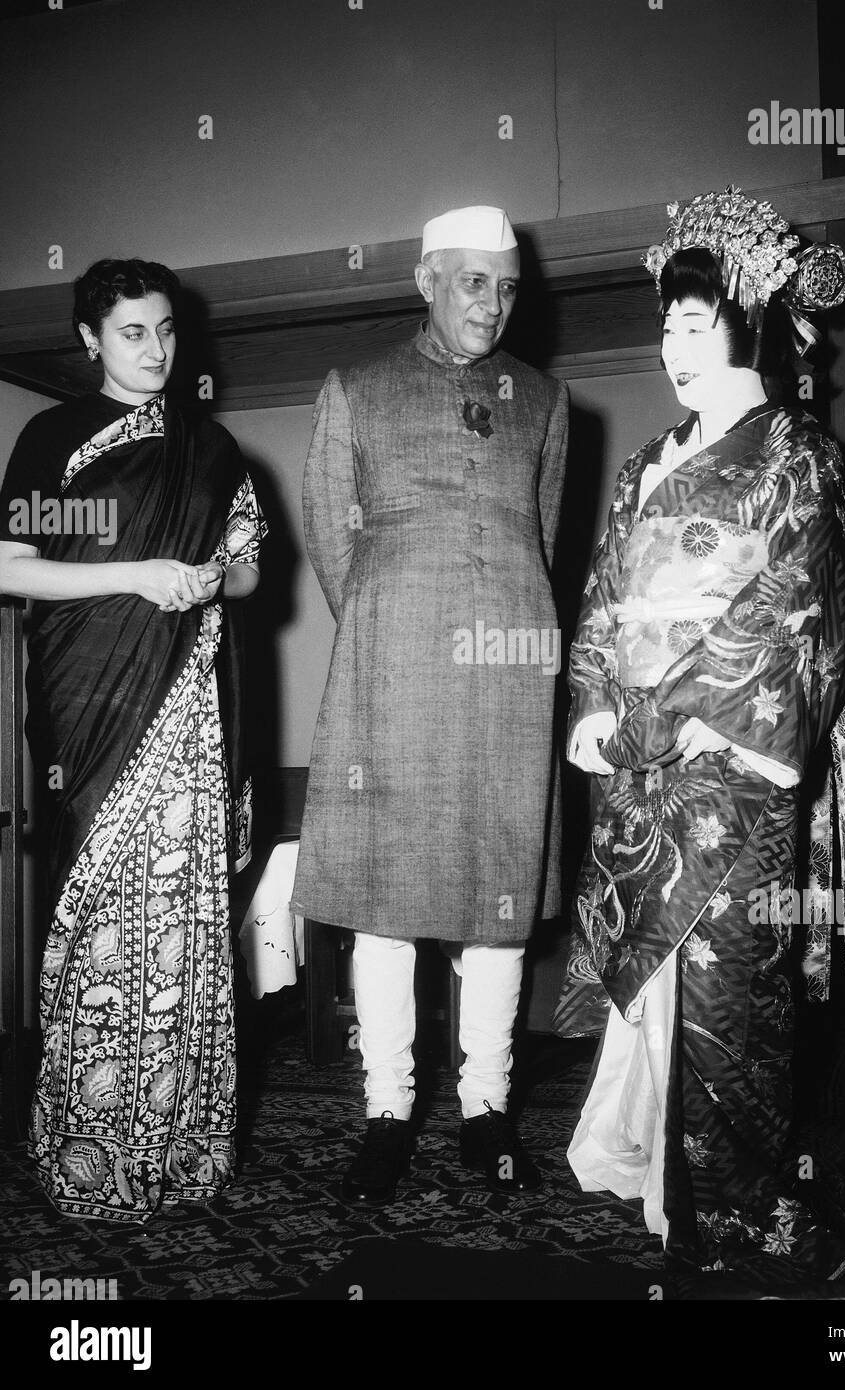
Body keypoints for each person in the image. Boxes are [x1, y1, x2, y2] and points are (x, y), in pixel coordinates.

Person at [554, 188, 845, 1297]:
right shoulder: (647, 462)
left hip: (731, 772)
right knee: (655, 998)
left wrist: (653, 718)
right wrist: (596, 705)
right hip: (640, 769)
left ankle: (742, 1218)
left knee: (728, 999)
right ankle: (667, 1189)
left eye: (696, 325)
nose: (673, 347)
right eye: (665, 326)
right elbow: (605, 599)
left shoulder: (803, 462)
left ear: (747, 325)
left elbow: (789, 617)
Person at [293, 205, 568, 1204]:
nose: (490, 304)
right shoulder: (354, 390)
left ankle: (488, 1111)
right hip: (393, 672)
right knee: (384, 900)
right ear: (426, 280)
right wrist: (391, 635)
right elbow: (334, 545)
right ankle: (386, 1111)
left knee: (498, 904)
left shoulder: (545, 398)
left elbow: (545, 534)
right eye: (471, 281)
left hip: (512, 684)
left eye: (505, 285)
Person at [0, 258, 266, 1222]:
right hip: (91, 703)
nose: (155, 351)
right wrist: (135, 574)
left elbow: (246, 571)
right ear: (89, 341)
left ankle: (185, 1146)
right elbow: (13, 566)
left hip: (187, 701)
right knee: (99, 912)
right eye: (130, 334)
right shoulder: (57, 437)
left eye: (164, 331)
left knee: (188, 918)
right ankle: (90, 1152)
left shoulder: (214, 444)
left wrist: (201, 577)